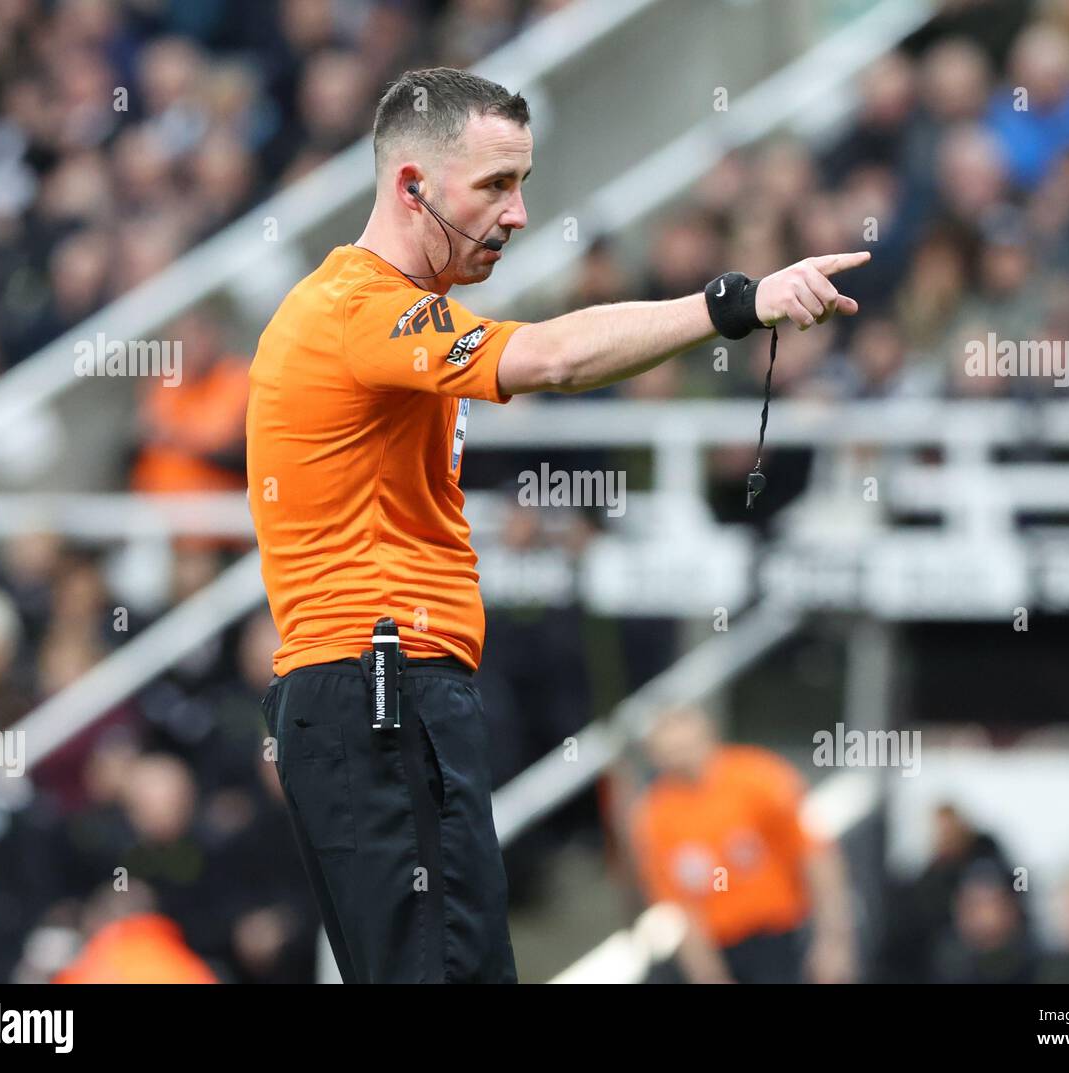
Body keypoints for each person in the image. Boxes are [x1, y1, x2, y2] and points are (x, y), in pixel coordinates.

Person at [246, 66, 869, 984]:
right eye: (496, 184)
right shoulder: (357, 311)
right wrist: (735, 303)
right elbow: (552, 357)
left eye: (523, 184)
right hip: (382, 685)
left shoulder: (371, 318)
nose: (520, 214)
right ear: (413, 186)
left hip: (367, 692)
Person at [626, 706, 856, 984]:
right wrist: (710, 977)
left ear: (707, 734)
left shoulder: (758, 777)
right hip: (719, 945)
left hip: (779, 935)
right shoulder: (655, 816)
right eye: (670, 751)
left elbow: (816, 854)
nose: (682, 758)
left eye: (685, 745)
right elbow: (681, 908)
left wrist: (833, 940)